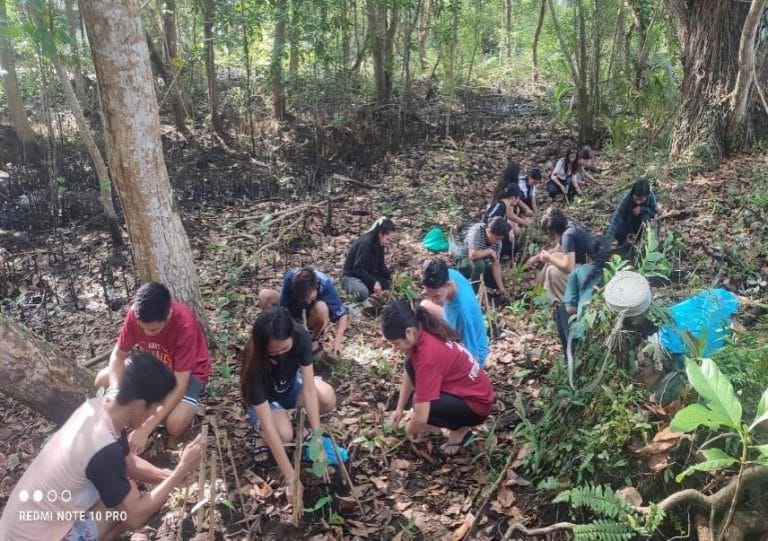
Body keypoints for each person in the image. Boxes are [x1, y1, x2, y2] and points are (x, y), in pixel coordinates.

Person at [0, 352, 203, 541]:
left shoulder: (98, 408)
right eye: (155, 408)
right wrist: (180, 472)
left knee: (125, 492)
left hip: (16, 529)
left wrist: (167, 476)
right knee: (123, 508)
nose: (155, 415)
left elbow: (128, 463)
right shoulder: (104, 451)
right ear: (140, 404)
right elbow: (135, 517)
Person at [95, 281, 210, 452]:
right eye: (144, 329)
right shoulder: (135, 314)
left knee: (175, 425)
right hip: (153, 368)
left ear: (168, 315)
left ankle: (176, 410)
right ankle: (155, 407)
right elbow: (118, 356)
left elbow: (180, 385)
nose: (148, 334)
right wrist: (118, 392)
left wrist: (146, 428)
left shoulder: (184, 324)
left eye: (154, 330)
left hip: (187, 373)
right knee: (102, 379)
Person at [241, 308, 337, 497]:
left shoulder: (300, 335)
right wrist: (291, 477)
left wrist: (317, 441)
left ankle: (292, 417)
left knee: (327, 398)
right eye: (272, 353)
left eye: (285, 349)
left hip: (290, 387)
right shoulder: (254, 367)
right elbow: (268, 424)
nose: (280, 356)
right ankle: (259, 434)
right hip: (266, 402)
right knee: (284, 434)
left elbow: (309, 389)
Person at [383, 301, 494, 456]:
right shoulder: (424, 329)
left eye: (396, 343)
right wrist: (399, 408)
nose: (395, 348)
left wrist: (409, 431)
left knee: (418, 404)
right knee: (411, 370)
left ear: (408, 333)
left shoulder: (426, 355)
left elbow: (420, 417)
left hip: (477, 405)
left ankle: (460, 431)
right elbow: (410, 372)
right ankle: (436, 425)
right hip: (474, 389)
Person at [259, 266, 349, 356]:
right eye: (303, 299)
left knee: (322, 308)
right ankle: (271, 331)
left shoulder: (325, 283)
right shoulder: (290, 277)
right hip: (293, 308)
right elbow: (283, 308)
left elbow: (342, 315)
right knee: (264, 295)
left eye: (310, 298)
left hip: (311, 314)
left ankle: (313, 339)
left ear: (316, 286)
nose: (306, 301)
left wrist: (337, 341)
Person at [420, 258, 489, 367]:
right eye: (430, 296)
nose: (434, 301)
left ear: (448, 284)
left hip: (475, 352)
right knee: (424, 306)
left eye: (436, 296)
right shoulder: (450, 273)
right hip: (455, 324)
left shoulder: (461, 312)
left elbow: (472, 357)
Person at [557, 235, 612, 350]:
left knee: (562, 308)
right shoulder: (617, 272)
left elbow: (570, 309)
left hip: (585, 330)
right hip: (611, 328)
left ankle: (570, 353)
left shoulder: (578, 271)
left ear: (587, 257)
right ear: (610, 257)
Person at [526, 207, 592, 303]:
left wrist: (549, 259)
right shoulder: (569, 225)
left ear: (552, 230)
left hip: (588, 274)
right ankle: (538, 293)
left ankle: (560, 300)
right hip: (587, 267)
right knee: (555, 257)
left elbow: (568, 267)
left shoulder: (567, 235)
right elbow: (556, 251)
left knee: (552, 271)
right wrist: (537, 258)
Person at [341, 217, 395, 302]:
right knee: (362, 292)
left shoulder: (379, 244)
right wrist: (374, 282)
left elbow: (380, 265)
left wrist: (391, 277)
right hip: (351, 277)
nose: (387, 242)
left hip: (367, 276)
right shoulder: (365, 243)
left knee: (387, 284)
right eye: (387, 239)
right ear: (380, 234)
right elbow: (357, 268)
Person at [455, 216, 511, 297]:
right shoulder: (477, 230)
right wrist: (489, 251)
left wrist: (501, 288)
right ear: (488, 231)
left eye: (500, 239)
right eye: (496, 238)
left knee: (497, 282)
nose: (498, 241)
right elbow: (472, 255)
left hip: (480, 262)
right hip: (464, 260)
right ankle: (473, 292)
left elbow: (496, 264)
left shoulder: (498, 242)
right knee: (480, 264)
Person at [606, 177, 658, 247]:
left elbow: (654, 212)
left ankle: (642, 240)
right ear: (633, 194)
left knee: (646, 217)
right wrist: (607, 240)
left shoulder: (650, 196)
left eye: (641, 200)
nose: (638, 202)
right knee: (618, 232)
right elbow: (616, 218)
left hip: (640, 222)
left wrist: (643, 209)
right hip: (626, 220)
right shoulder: (626, 197)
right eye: (636, 199)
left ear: (646, 196)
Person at [484, 183, 526, 259]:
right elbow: (488, 219)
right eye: (517, 199)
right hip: (489, 237)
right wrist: (509, 229)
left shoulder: (503, 207)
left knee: (515, 246)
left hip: (497, 237)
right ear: (513, 198)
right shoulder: (499, 205)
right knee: (514, 247)